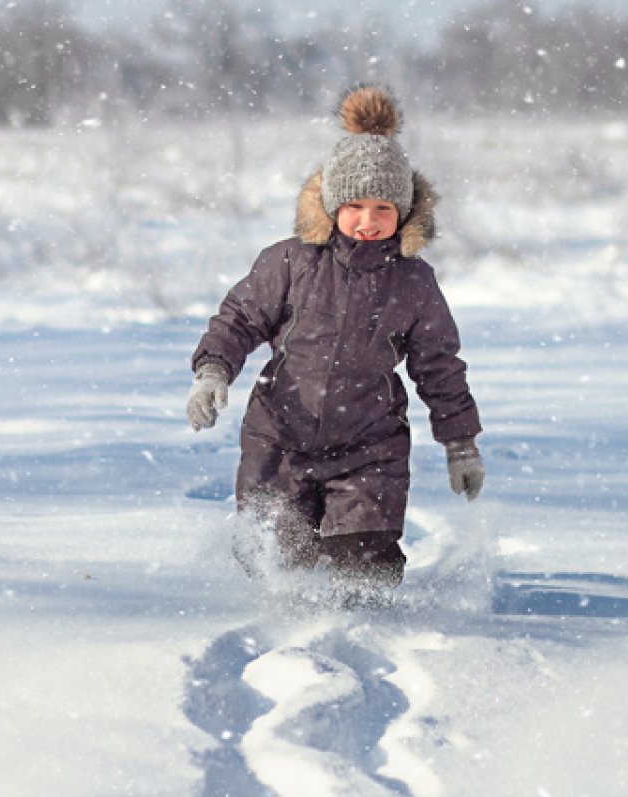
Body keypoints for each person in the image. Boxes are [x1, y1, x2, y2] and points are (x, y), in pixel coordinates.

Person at [186, 85, 485, 603]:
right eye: (354, 206)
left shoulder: (413, 282)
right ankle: (284, 643)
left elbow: (439, 367)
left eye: (382, 208)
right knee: (278, 562)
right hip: (279, 438)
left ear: (405, 211)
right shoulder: (289, 263)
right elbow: (237, 319)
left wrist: (460, 443)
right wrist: (212, 371)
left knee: (366, 569)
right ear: (330, 205)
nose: (368, 221)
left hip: (369, 447)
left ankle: (361, 625)